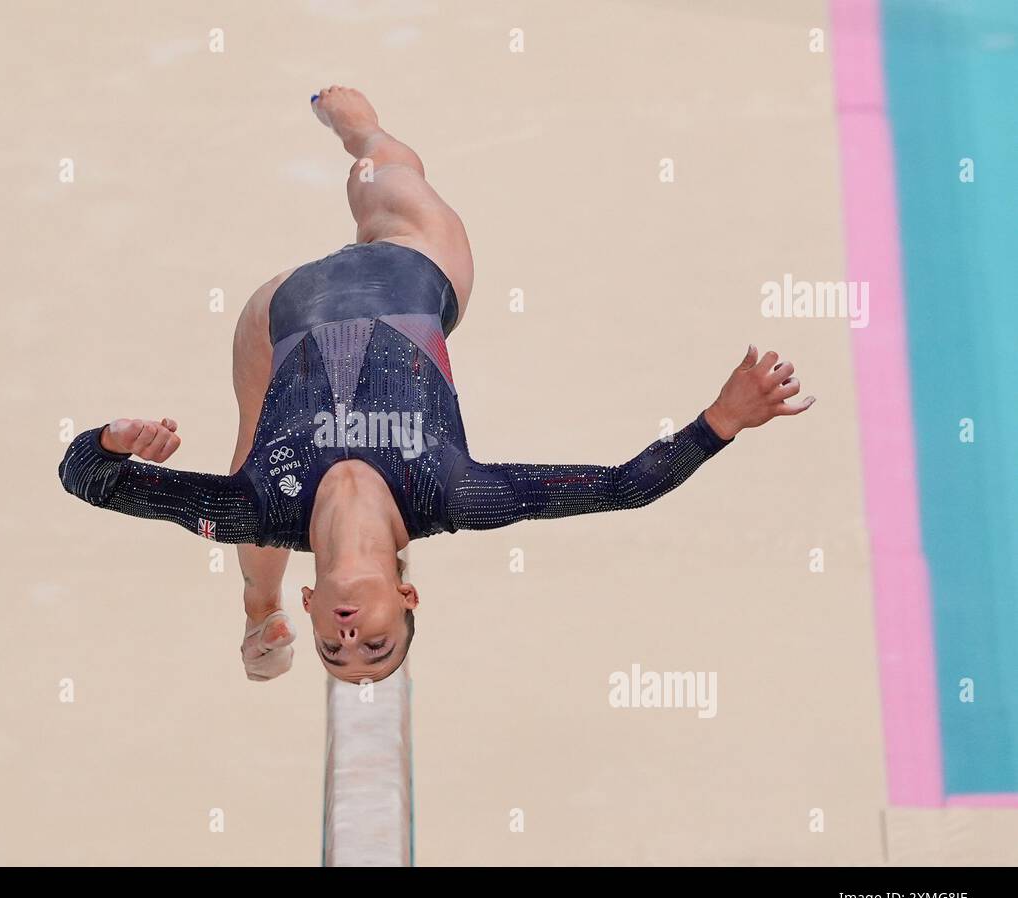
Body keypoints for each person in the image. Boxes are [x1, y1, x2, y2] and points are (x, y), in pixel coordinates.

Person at [59, 86, 814, 685]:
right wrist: (723, 419)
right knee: (384, 165)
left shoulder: (260, 508)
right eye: (377, 644)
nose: (352, 638)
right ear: (407, 596)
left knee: (248, 463)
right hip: (414, 267)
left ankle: (261, 606)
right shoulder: (452, 496)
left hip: (280, 311)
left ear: (316, 608)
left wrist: (114, 442)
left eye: (335, 648)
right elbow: (624, 487)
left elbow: (84, 477)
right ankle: (366, 132)